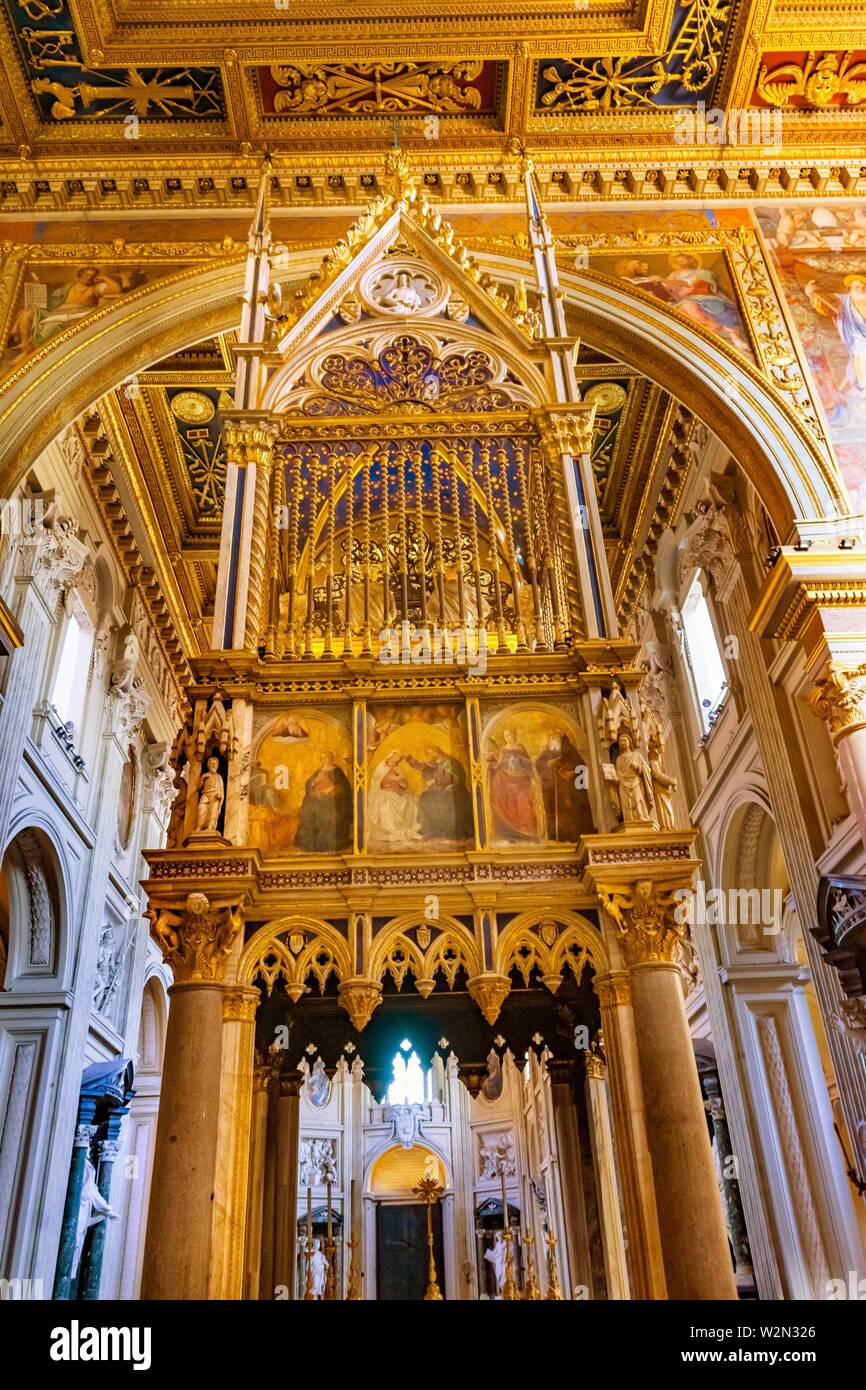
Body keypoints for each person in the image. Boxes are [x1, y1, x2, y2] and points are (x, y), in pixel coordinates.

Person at [404, 744, 473, 843]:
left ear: (438, 751)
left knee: (445, 798)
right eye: (429, 754)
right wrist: (411, 761)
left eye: (432, 753)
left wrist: (441, 784)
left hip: (455, 790)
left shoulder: (450, 762)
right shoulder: (435, 763)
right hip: (442, 790)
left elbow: (456, 778)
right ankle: (430, 830)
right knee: (425, 797)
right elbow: (421, 766)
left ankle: (446, 831)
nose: (431, 755)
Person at [535, 732, 594, 840]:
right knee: (556, 813)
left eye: (556, 737)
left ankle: (573, 835)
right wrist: (549, 764)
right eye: (551, 737)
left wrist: (572, 772)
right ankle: (558, 836)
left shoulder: (569, 750)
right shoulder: (546, 753)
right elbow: (539, 764)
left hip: (569, 789)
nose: (553, 739)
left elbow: (581, 766)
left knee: (570, 809)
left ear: (561, 739)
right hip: (553, 791)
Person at [487, 727, 543, 841]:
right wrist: (492, 760)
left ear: (514, 736)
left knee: (523, 800)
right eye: (505, 736)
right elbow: (499, 763)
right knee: (500, 796)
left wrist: (518, 760)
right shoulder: (503, 749)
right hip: (505, 779)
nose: (507, 738)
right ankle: (509, 831)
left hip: (521, 780)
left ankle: (527, 830)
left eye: (509, 735)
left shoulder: (521, 748)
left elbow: (528, 764)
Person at [294, 751, 352, 852]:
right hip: (319, 799)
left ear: (331, 758)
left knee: (330, 813)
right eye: (322, 759)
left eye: (326, 758)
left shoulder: (337, 771)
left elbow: (344, 787)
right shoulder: (319, 771)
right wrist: (315, 781)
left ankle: (329, 843)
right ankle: (312, 842)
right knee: (308, 810)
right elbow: (309, 784)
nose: (324, 760)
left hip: (334, 799)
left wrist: (332, 789)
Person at [368, 749, 421, 849]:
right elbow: (377, 782)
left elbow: (404, 783)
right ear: (391, 756)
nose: (397, 759)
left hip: (397, 792)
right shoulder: (382, 767)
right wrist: (390, 782)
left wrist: (400, 783)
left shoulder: (398, 768)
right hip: (384, 792)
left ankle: (408, 828)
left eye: (399, 758)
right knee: (387, 803)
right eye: (396, 757)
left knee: (409, 800)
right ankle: (393, 829)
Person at [614, 731, 655, 825]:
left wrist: (638, 768)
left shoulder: (637, 755)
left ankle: (641, 817)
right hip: (623, 783)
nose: (622, 743)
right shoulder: (619, 759)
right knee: (626, 802)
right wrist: (616, 775)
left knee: (637, 799)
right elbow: (618, 771)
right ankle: (629, 820)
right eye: (620, 742)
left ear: (629, 742)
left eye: (624, 740)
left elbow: (646, 769)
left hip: (636, 781)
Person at [196, 756, 224, 832]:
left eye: (216, 764)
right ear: (208, 765)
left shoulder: (218, 777)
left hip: (215, 796)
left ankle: (210, 827)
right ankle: (199, 827)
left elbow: (221, 789)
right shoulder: (205, 776)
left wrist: (220, 795)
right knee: (200, 809)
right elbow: (199, 788)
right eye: (212, 764)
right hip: (205, 795)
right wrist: (203, 778)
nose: (214, 765)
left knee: (213, 812)